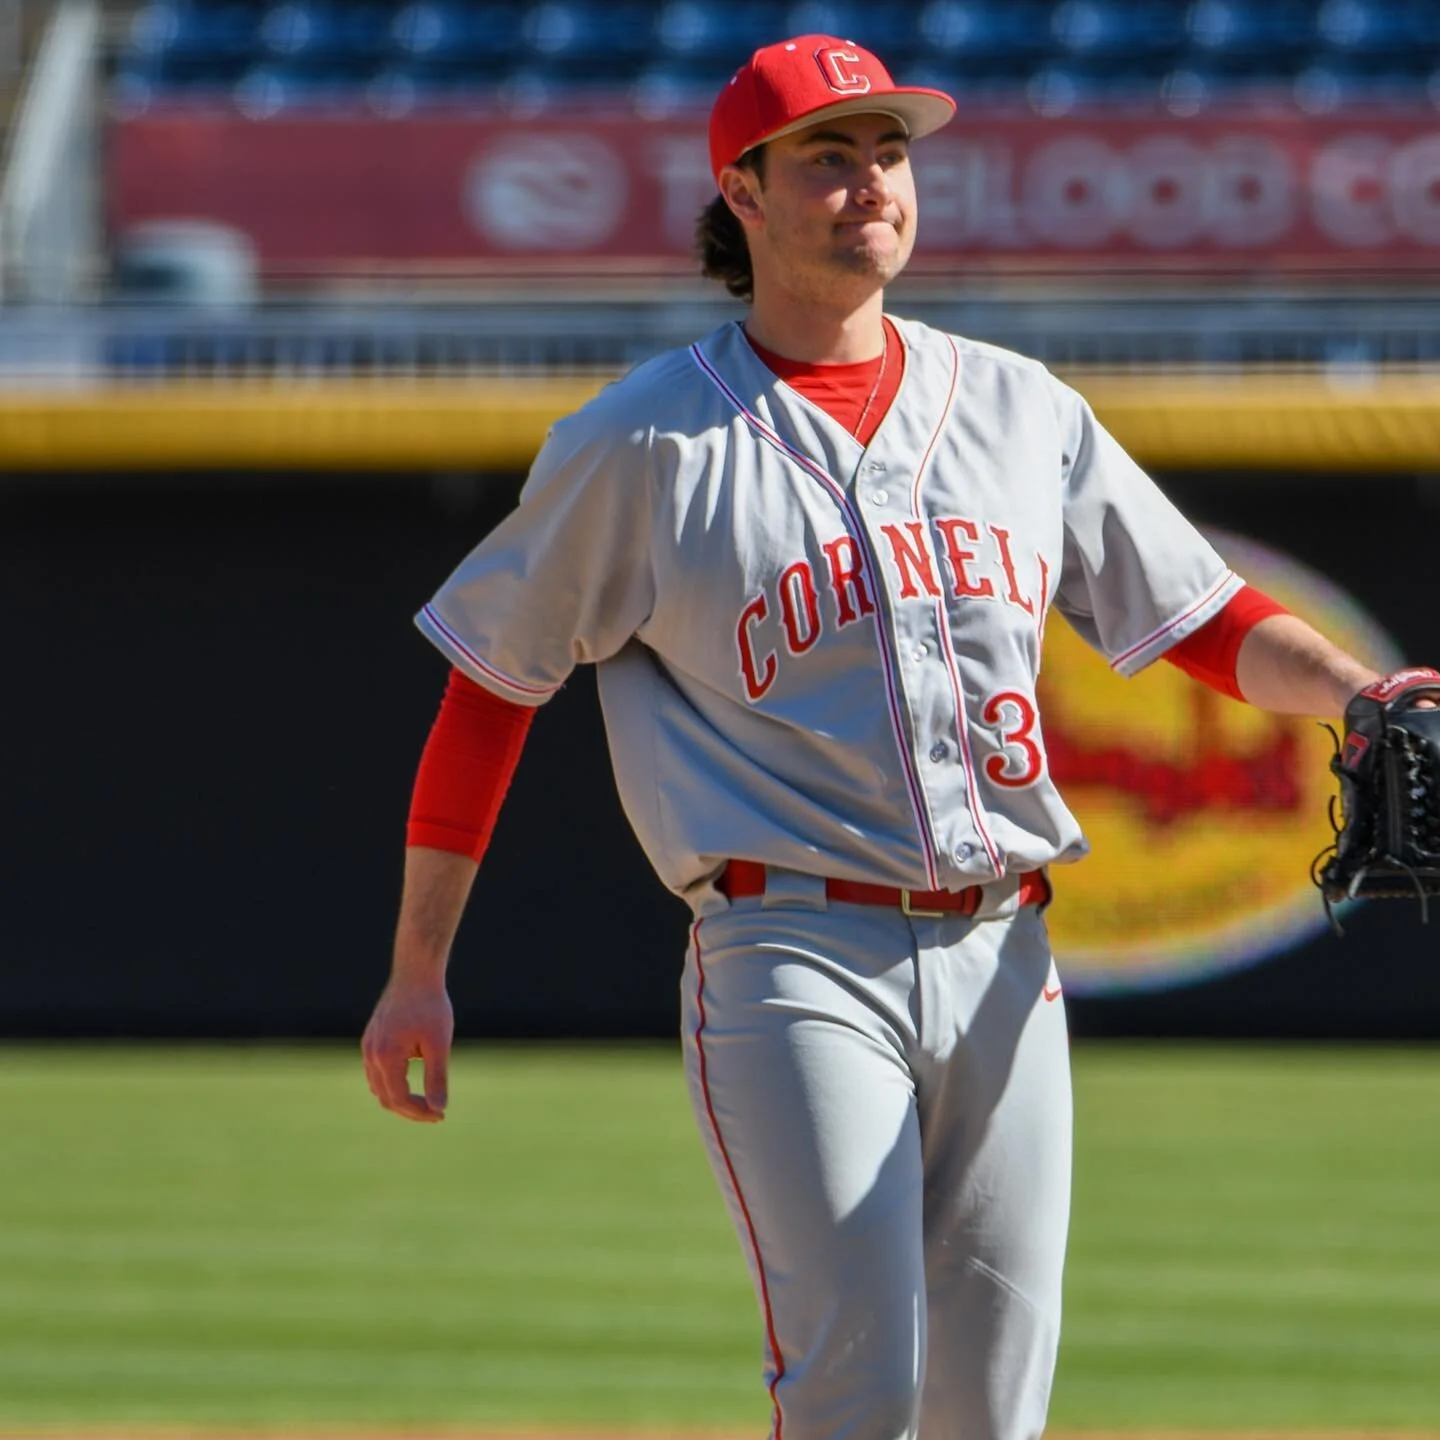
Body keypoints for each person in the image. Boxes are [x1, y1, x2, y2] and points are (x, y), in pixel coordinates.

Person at [362, 34, 1399, 1440]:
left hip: (1004, 950)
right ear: (743, 190)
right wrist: (419, 968)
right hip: (788, 948)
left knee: (991, 1408)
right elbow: (492, 688)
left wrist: (1357, 690)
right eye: (829, 157)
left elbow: (1202, 619)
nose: (872, 184)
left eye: (892, 153)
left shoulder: (1021, 409)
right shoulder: (644, 443)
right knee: (859, 1384)